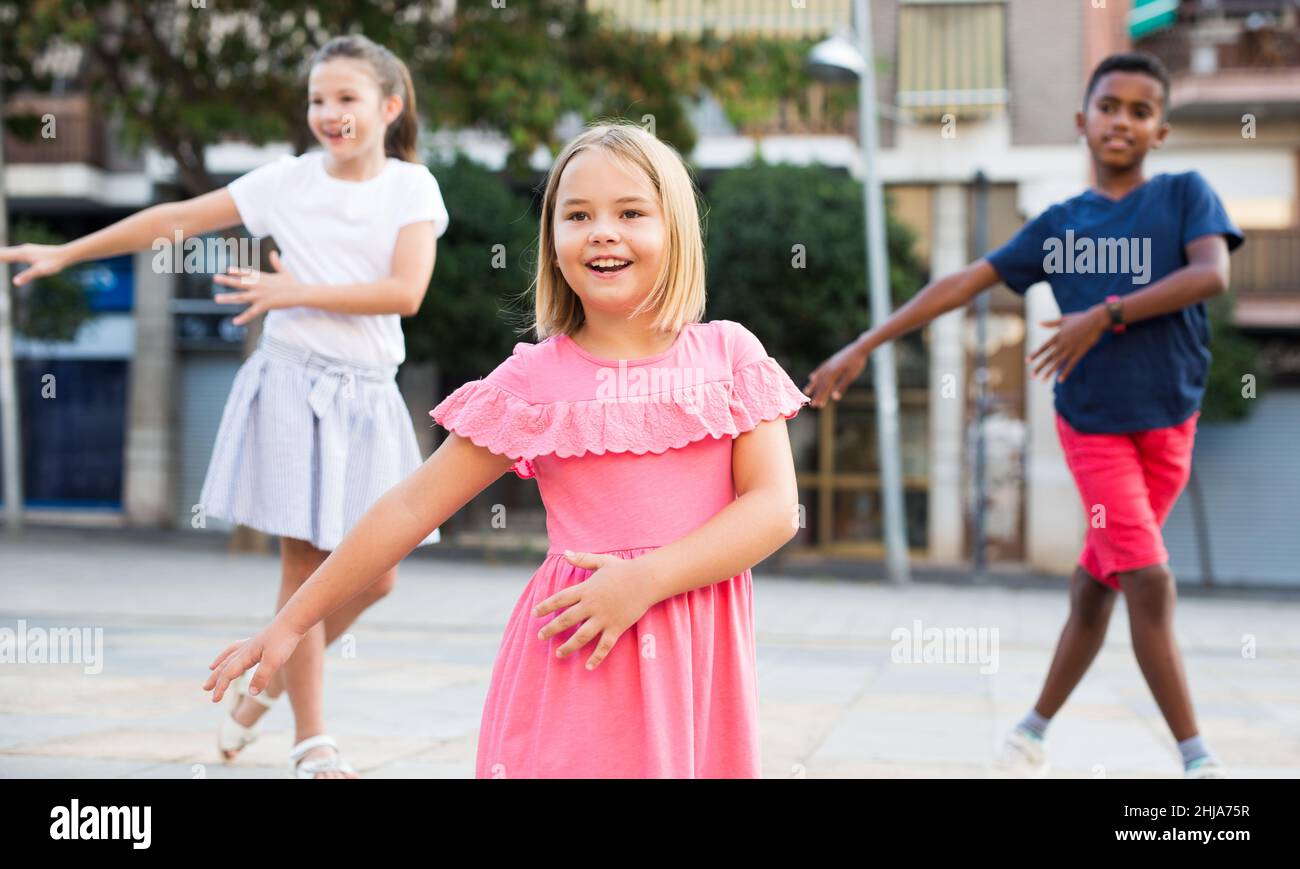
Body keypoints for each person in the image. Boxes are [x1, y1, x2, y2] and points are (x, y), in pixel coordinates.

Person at [203, 121, 810, 778]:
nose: (601, 230)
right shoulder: (530, 380)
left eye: (630, 211)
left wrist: (645, 580)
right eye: (577, 215)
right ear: (553, 244)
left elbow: (774, 508)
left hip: (696, 667)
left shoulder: (731, 356)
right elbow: (410, 505)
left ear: (677, 229)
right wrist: (292, 621)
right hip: (579, 655)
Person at [1, 34, 450, 778]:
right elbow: (172, 218)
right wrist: (67, 253)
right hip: (292, 384)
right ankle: (314, 742)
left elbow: (405, 292)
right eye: (317, 99)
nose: (328, 113)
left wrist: (291, 290)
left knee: (377, 574)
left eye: (346, 99)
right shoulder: (285, 181)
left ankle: (262, 686)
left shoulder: (413, 188)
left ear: (389, 105)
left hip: (369, 394)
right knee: (305, 571)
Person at [804, 52, 1242, 779]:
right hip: (1093, 425)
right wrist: (864, 342)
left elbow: (1211, 275)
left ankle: (1032, 729)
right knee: (1150, 579)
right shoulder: (1058, 225)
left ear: (1160, 129)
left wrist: (1105, 313)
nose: (1122, 121)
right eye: (1109, 107)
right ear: (1082, 121)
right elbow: (960, 282)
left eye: (1140, 110)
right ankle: (1198, 759)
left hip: (1172, 419)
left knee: (1100, 582)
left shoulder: (1185, 195)